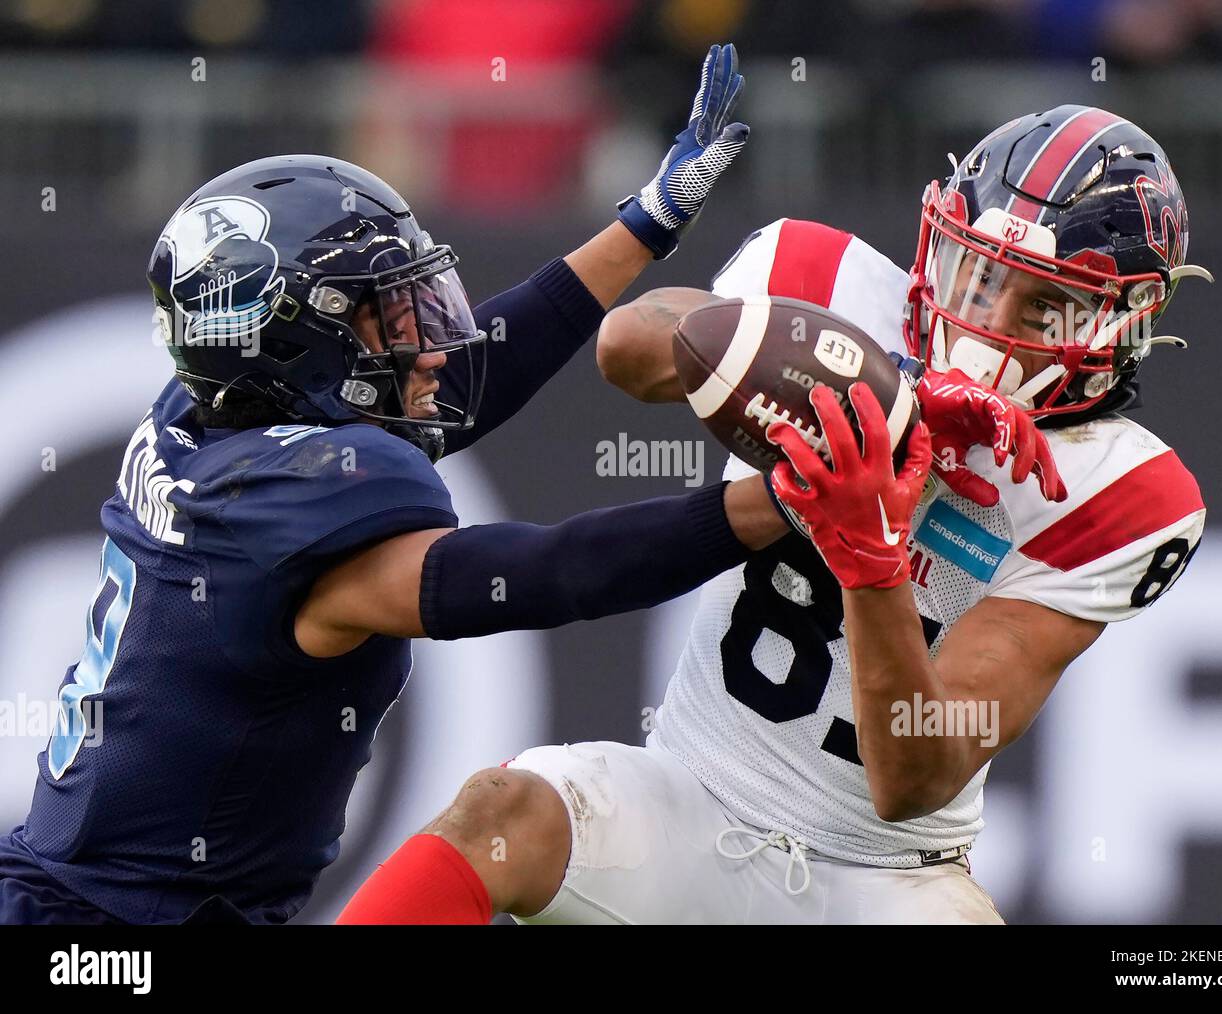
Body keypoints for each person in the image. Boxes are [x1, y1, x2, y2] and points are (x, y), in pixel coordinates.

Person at [333, 106, 1202, 926]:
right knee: (503, 812)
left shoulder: (1116, 492)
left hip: (886, 876)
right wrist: (874, 390)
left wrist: (872, 552)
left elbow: (915, 769)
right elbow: (629, 348)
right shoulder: (833, 293)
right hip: (690, 798)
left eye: (1044, 306)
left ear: (1120, 327)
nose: (989, 325)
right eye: (978, 278)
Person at [0, 45, 780, 925]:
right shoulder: (291, 513)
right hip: (108, 934)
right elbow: (549, 571)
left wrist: (645, 222)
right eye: (390, 312)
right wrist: (776, 503)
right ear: (300, 339)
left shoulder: (211, 411)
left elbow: (465, 377)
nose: (432, 342)